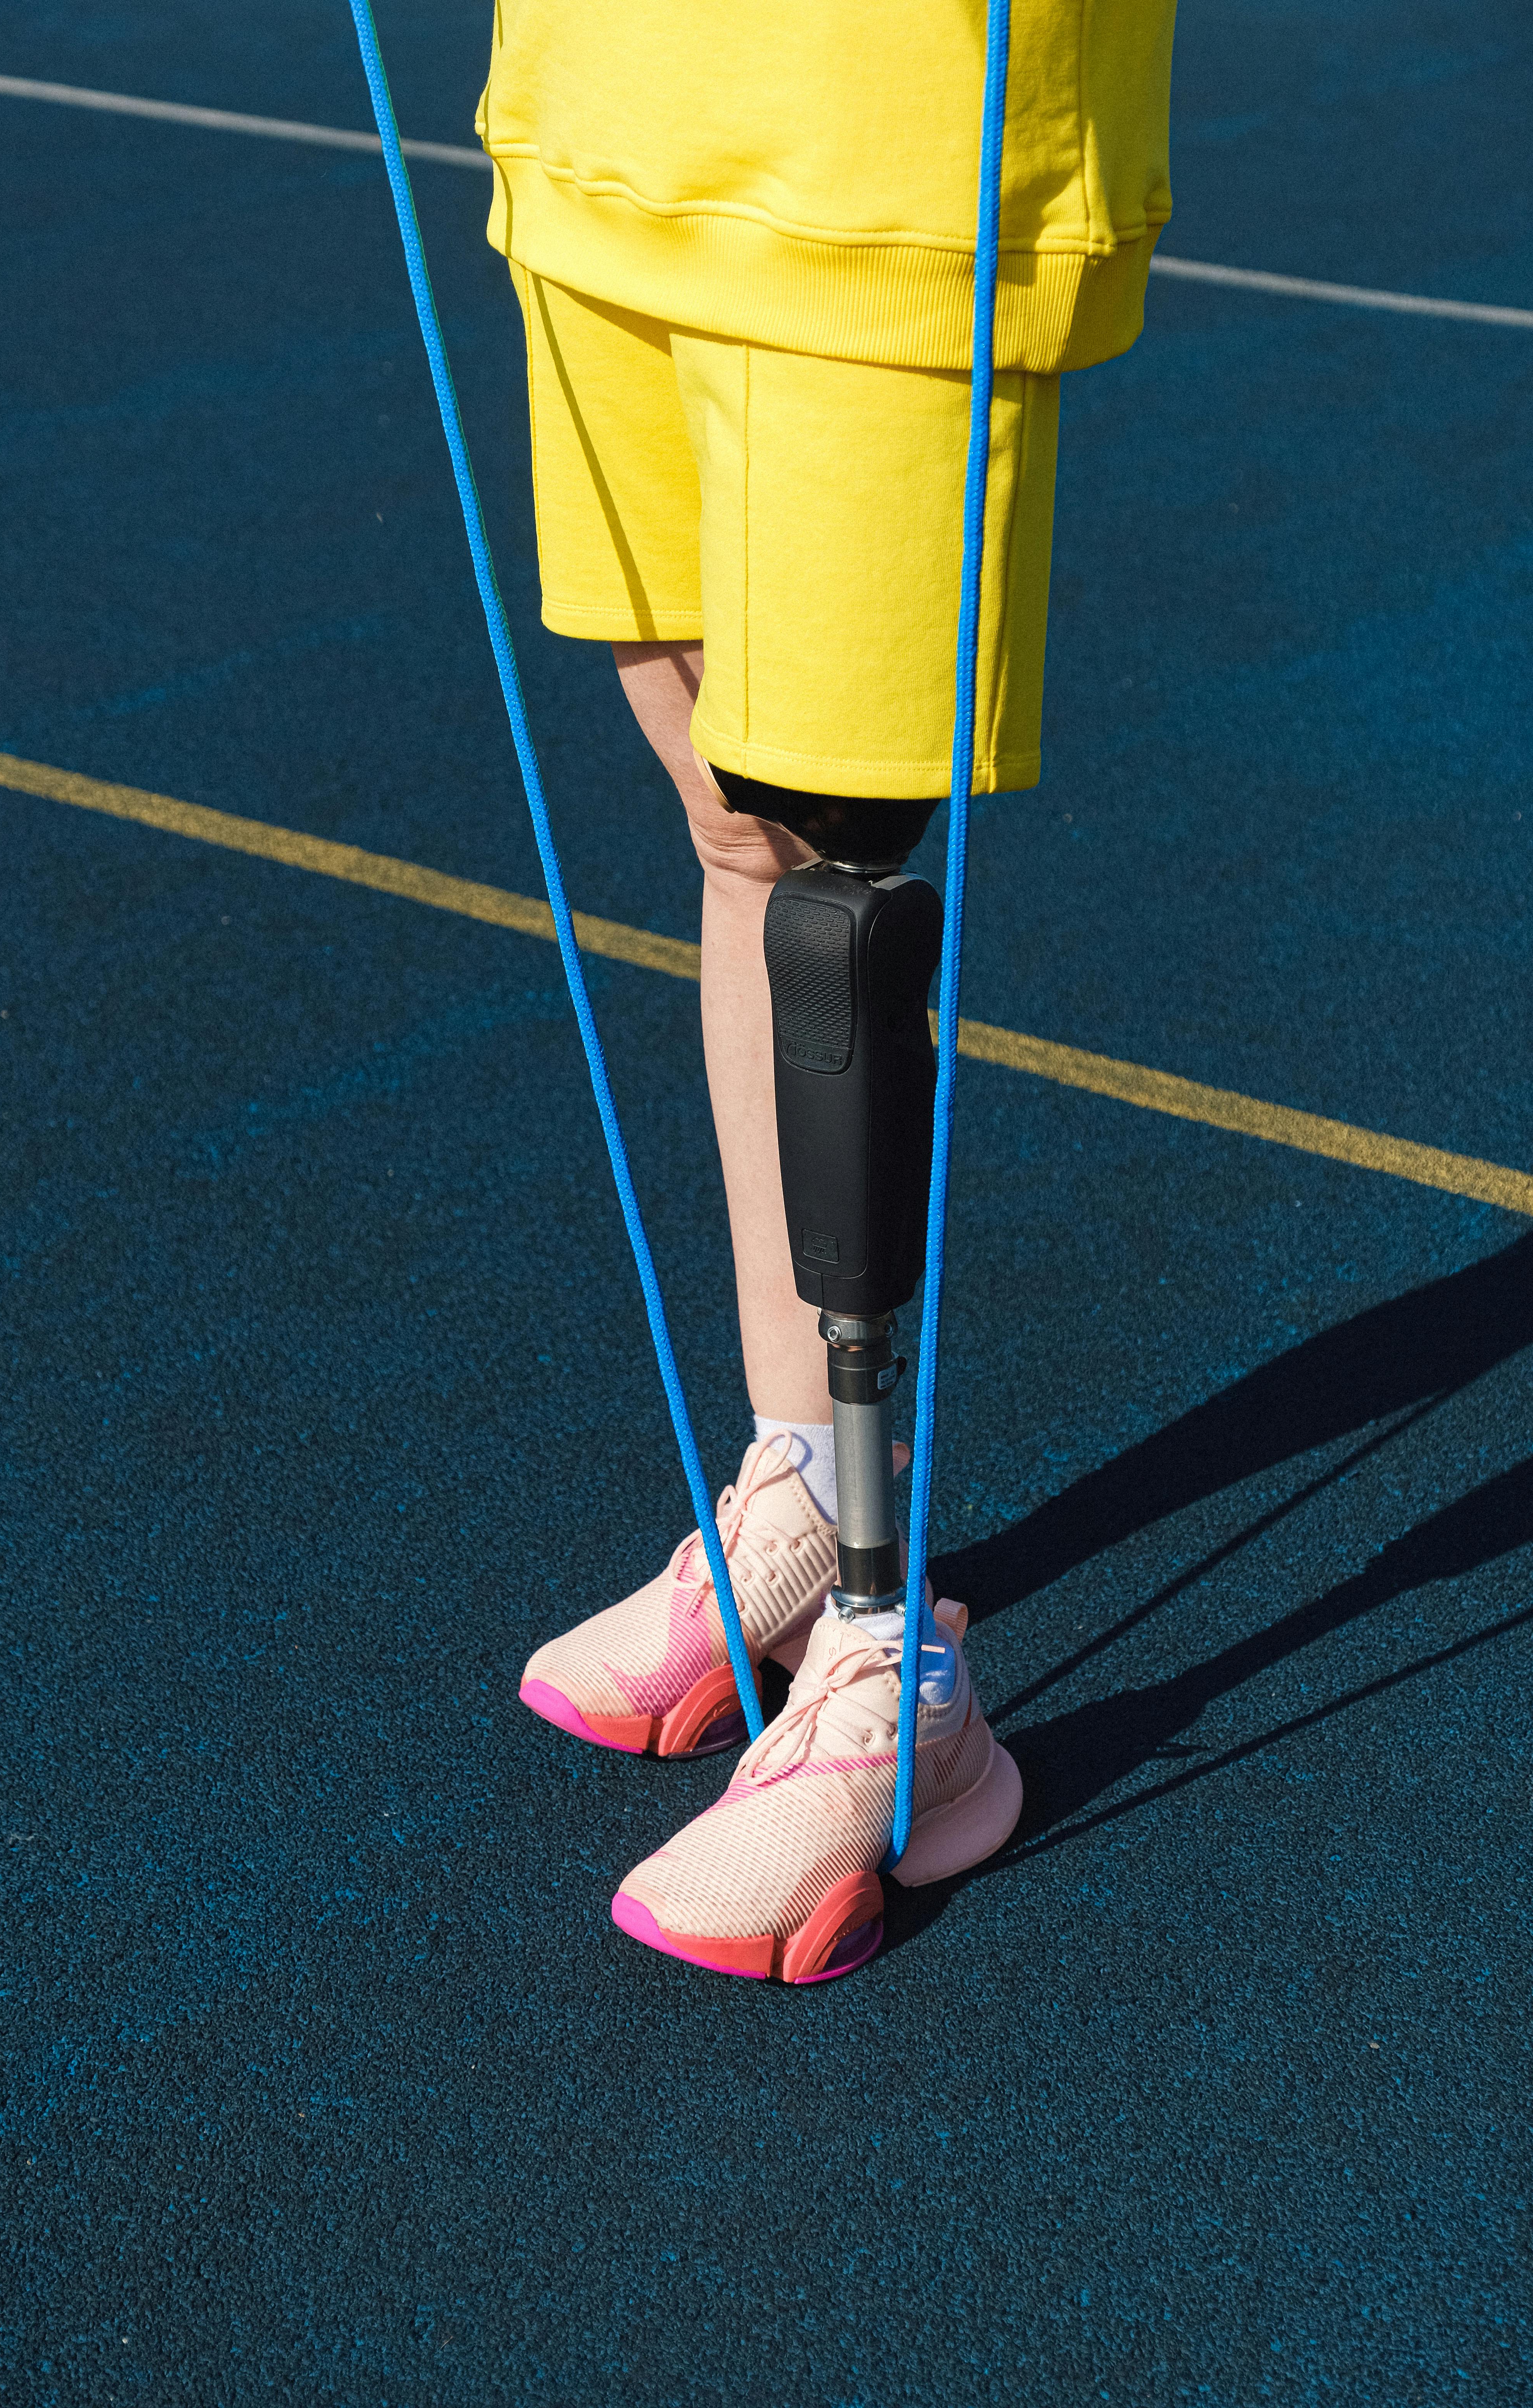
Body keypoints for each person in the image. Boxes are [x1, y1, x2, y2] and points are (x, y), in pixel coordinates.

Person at [478, 0, 1177, 1979]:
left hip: (883, 156)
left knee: (828, 862)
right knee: (729, 831)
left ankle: (895, 1682)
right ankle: (800, 1482)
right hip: (604, 116)